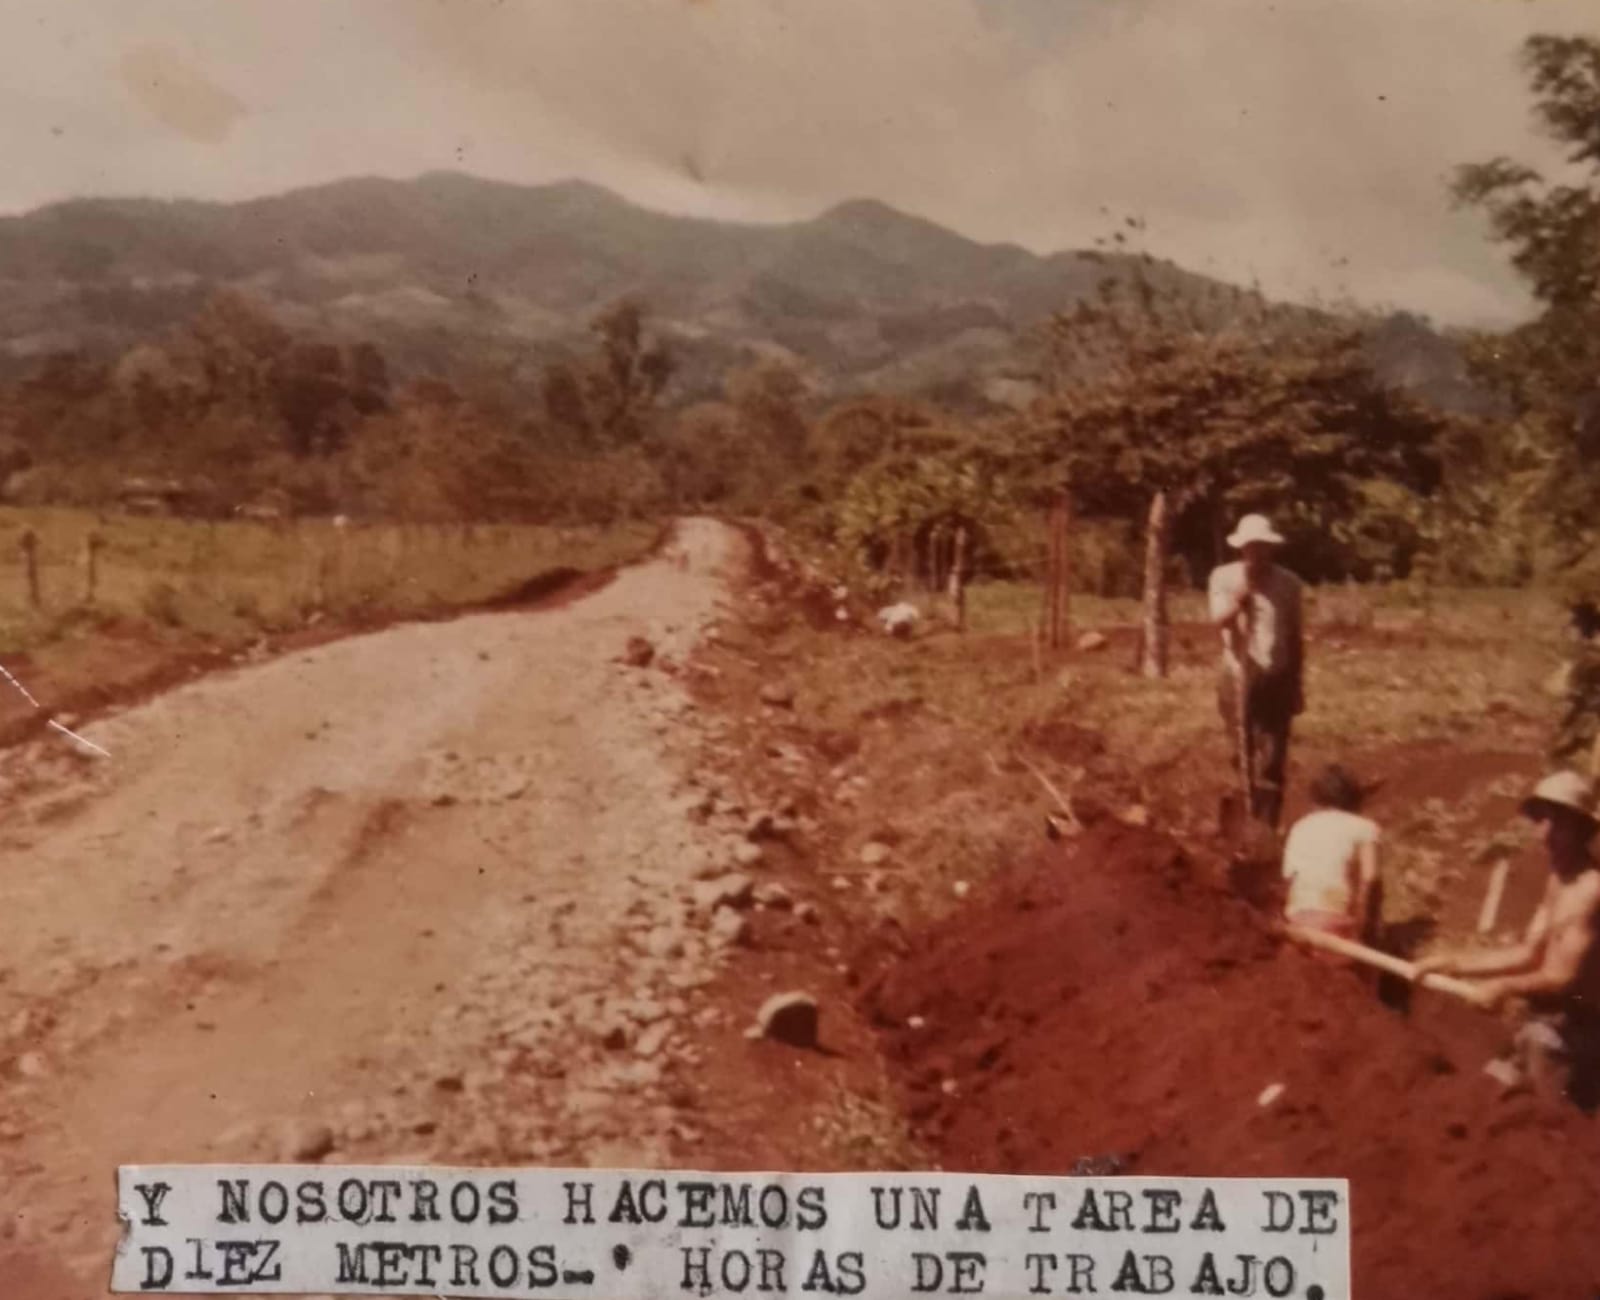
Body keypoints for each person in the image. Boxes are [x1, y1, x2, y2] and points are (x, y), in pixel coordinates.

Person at [1413, 771, 1600, 1111]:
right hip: (1542, 1019)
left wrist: (1503, 987)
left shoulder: (1591, 892)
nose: (1544, 833)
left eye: (1557, 822)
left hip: (1573, 1032)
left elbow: (1562, 977)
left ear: (1581, 828)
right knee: (1489, 1096)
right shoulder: (1558, 879)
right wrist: (1456, 963)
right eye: (1541, 820)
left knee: (1548, 1129)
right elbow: (1529, 952)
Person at [1207, 514, 1305, 829]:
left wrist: (1296, 685)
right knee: (1241, 755)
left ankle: (1268, 827)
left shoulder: (1289, 583)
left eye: (1263, 548)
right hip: (1238, 677)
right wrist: (1241, 598)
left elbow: (1293, 636)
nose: (1257, 555)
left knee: (1273, 759)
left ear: (1271, 549)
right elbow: (1219, 619)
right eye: (1251, 548)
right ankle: (1243, 823)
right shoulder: (1223, 578)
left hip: (1277, 678)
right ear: (1242, 549)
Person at [1281, 764, 1381, 942]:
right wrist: (1365, 925)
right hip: (1335, 921)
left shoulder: (1300, 826)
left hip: (1296, 919)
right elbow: (1370, 878)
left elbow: (1287, 879)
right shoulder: (1366, 828)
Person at [1549, 598, 1600, 779]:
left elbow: (1560, 689)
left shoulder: (1587, 659)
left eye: (1570, 626)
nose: (1565, 631)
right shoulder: (1585, 657)